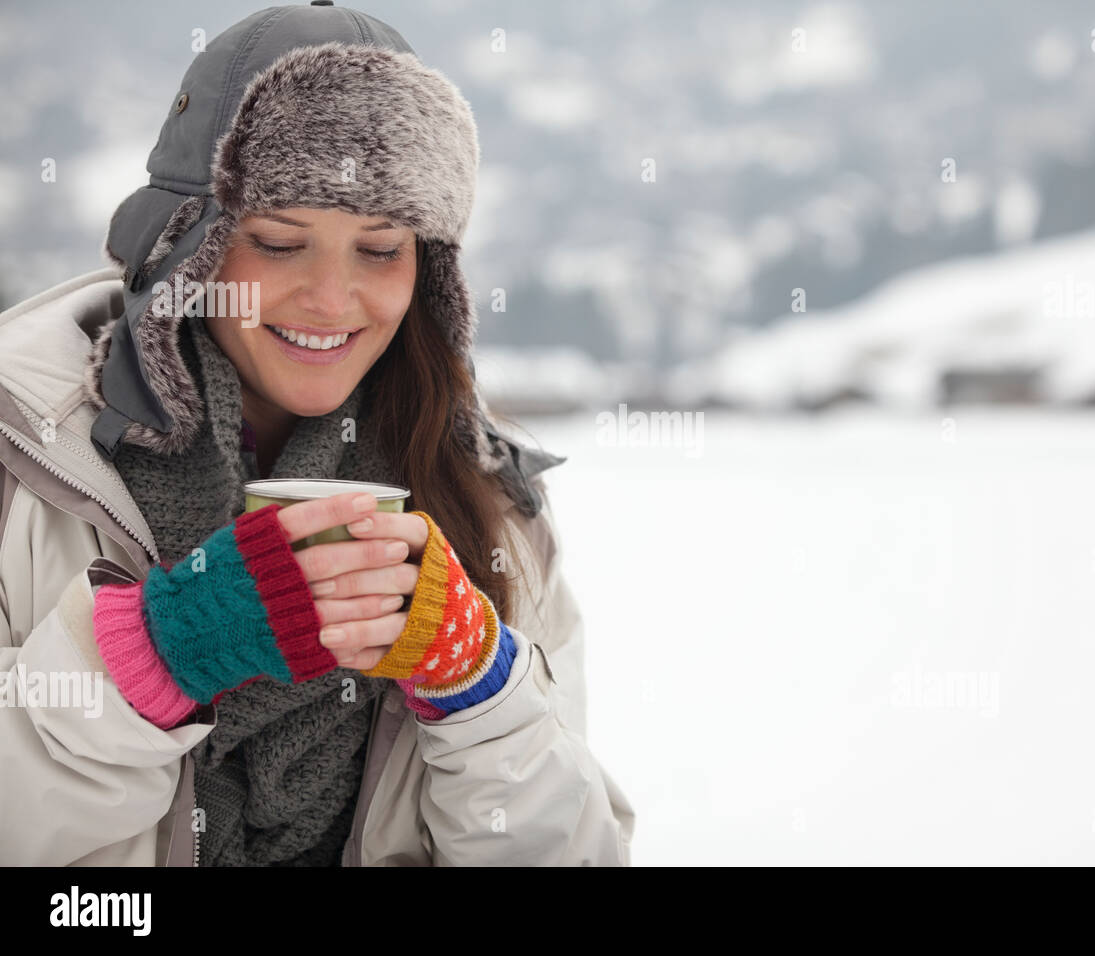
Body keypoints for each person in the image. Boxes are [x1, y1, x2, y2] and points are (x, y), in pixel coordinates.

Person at [0, 2, 634, 866]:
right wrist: (146, 662)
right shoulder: (26, 463)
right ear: (192, 250)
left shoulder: (496, 508)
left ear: (430, 272)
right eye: (280, 242)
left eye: (380, 250)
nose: (333, 301)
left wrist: (480, 690)